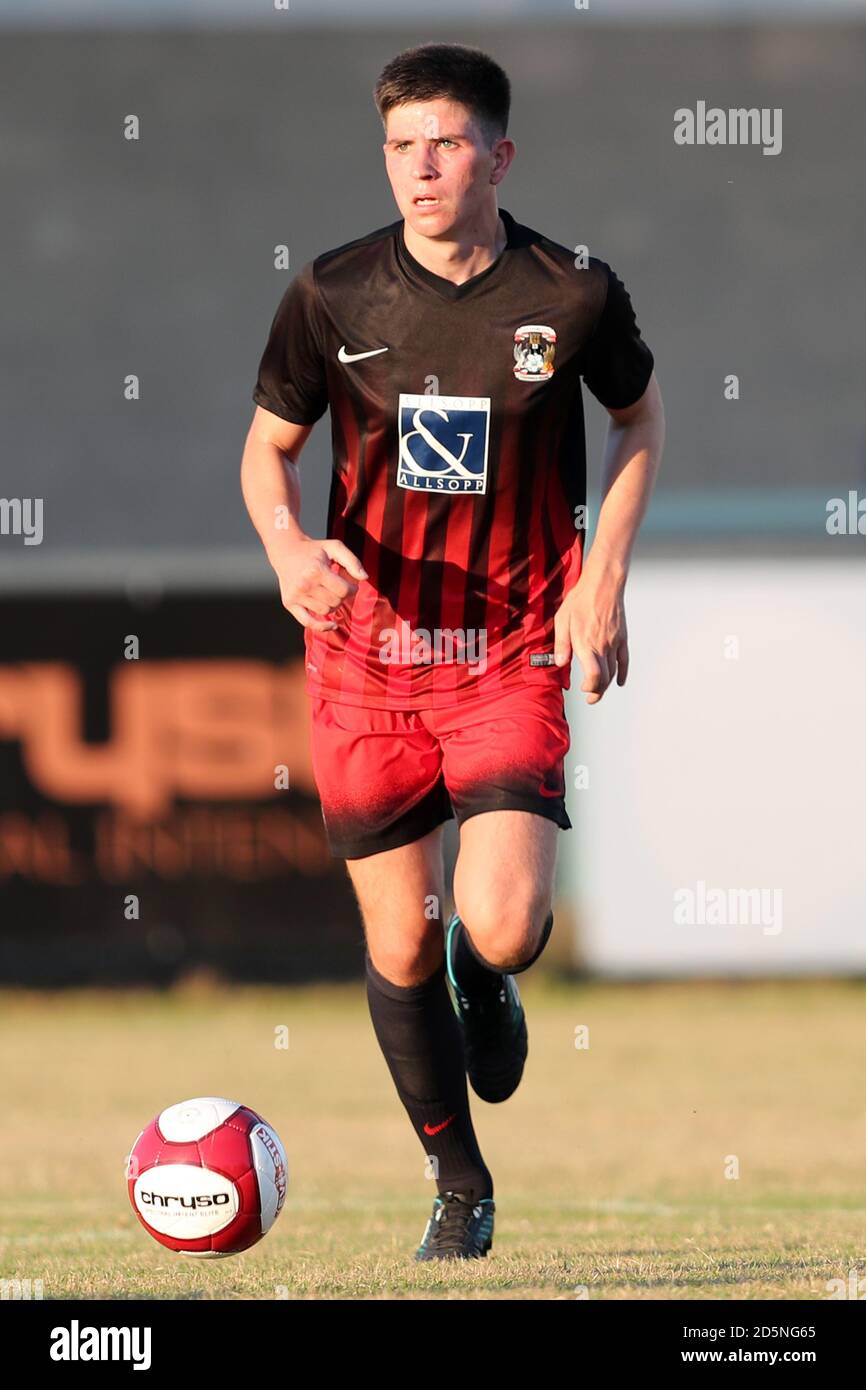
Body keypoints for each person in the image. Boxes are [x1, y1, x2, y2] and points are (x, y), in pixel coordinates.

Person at [241, 41, 665, 1261]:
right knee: (389, 943)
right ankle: (457, 1183)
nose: (420, 169)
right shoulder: (329, 294)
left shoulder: (571, 292)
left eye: (445, 144)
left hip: (505, 646)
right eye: (399, 147)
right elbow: (263, 454)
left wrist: (603, 573)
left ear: (498, 154)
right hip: (366, 656)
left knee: (508, 919)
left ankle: (486, 974)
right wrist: (286, 553)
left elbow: (637, 417)